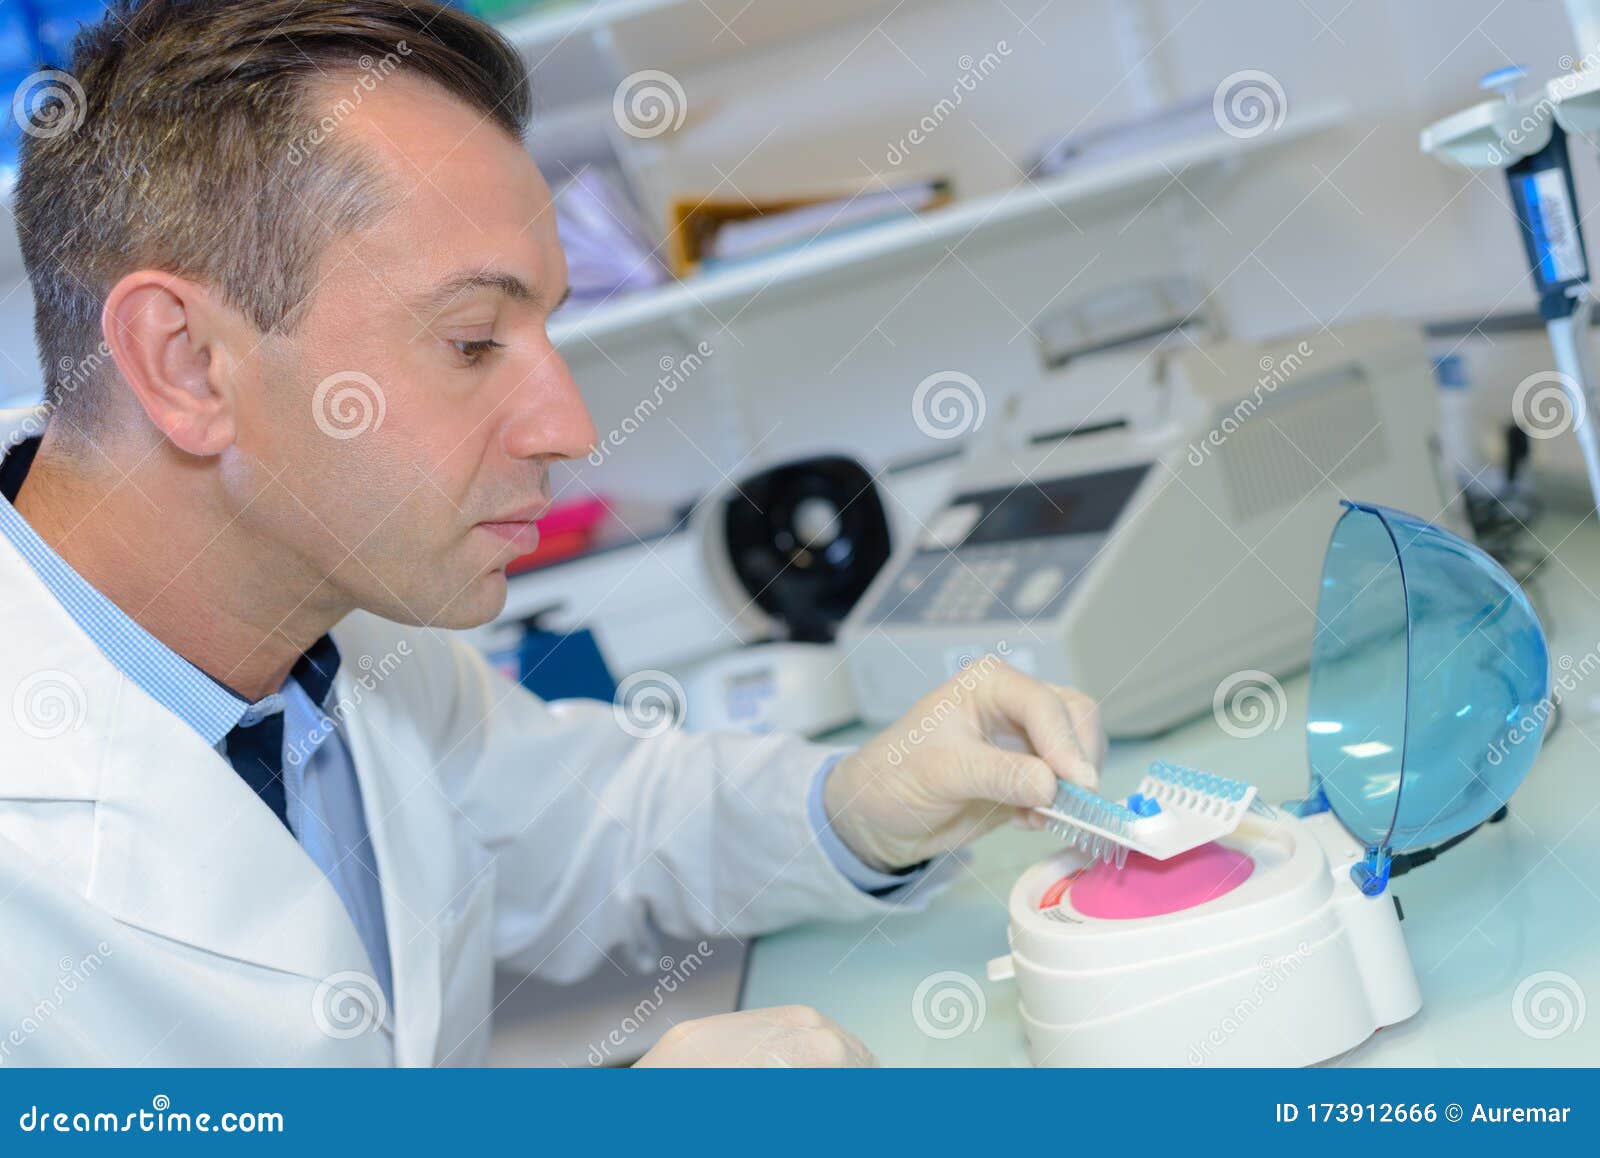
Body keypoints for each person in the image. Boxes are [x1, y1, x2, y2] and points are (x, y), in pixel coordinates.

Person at [0, 0, 1102, 1067]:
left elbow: (598, 822)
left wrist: (858, 805)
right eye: (473, 340)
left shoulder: (342, 638)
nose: (568, 428)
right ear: (187, 363)